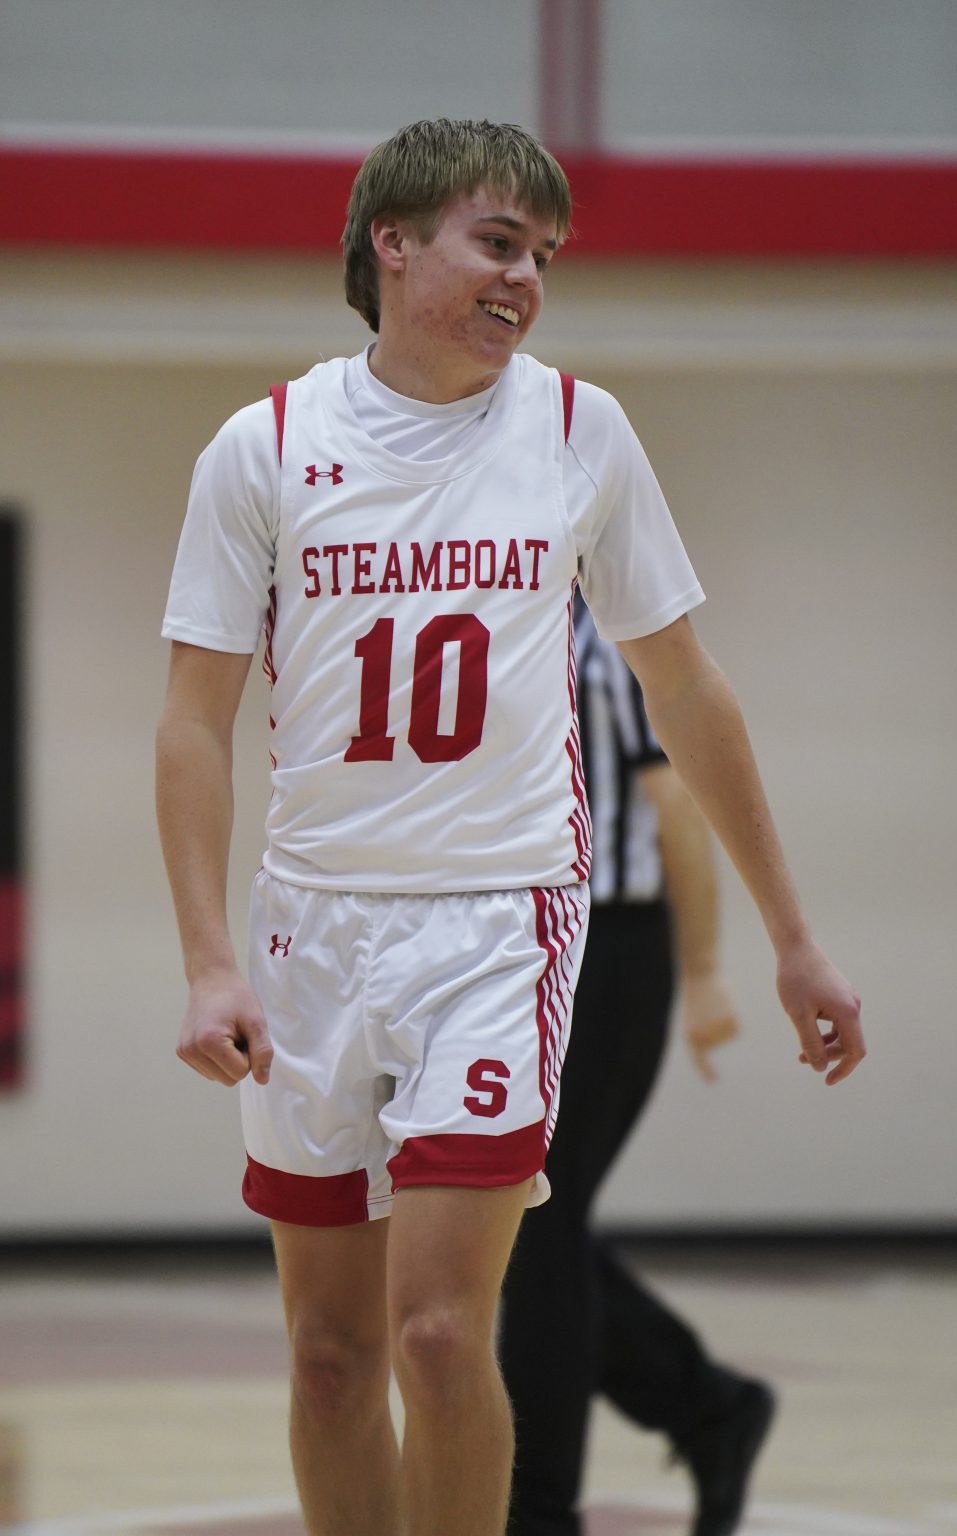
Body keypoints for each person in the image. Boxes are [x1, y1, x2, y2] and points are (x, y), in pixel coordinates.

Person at [155, 118, 864, 1536]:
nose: (525, 277)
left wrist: (789, 939)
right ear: (392, 243)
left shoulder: (577, 431)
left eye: (542, 254)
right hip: (310, 927)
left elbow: (686, 693)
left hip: (493, 921)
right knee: (328, 1356)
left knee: (435, 1334)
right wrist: (208, 958)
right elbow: (192, 720)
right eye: (497, 242)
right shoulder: (265, 448)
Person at [500, 593, 775, 1536]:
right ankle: (706, 1406)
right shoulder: (486, 636)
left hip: (608, 955)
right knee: (520, 1225)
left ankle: (539, 1508)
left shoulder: (600, 654)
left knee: (531, 1224)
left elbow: (674, 807)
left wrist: (702, 976)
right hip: (520, 954)